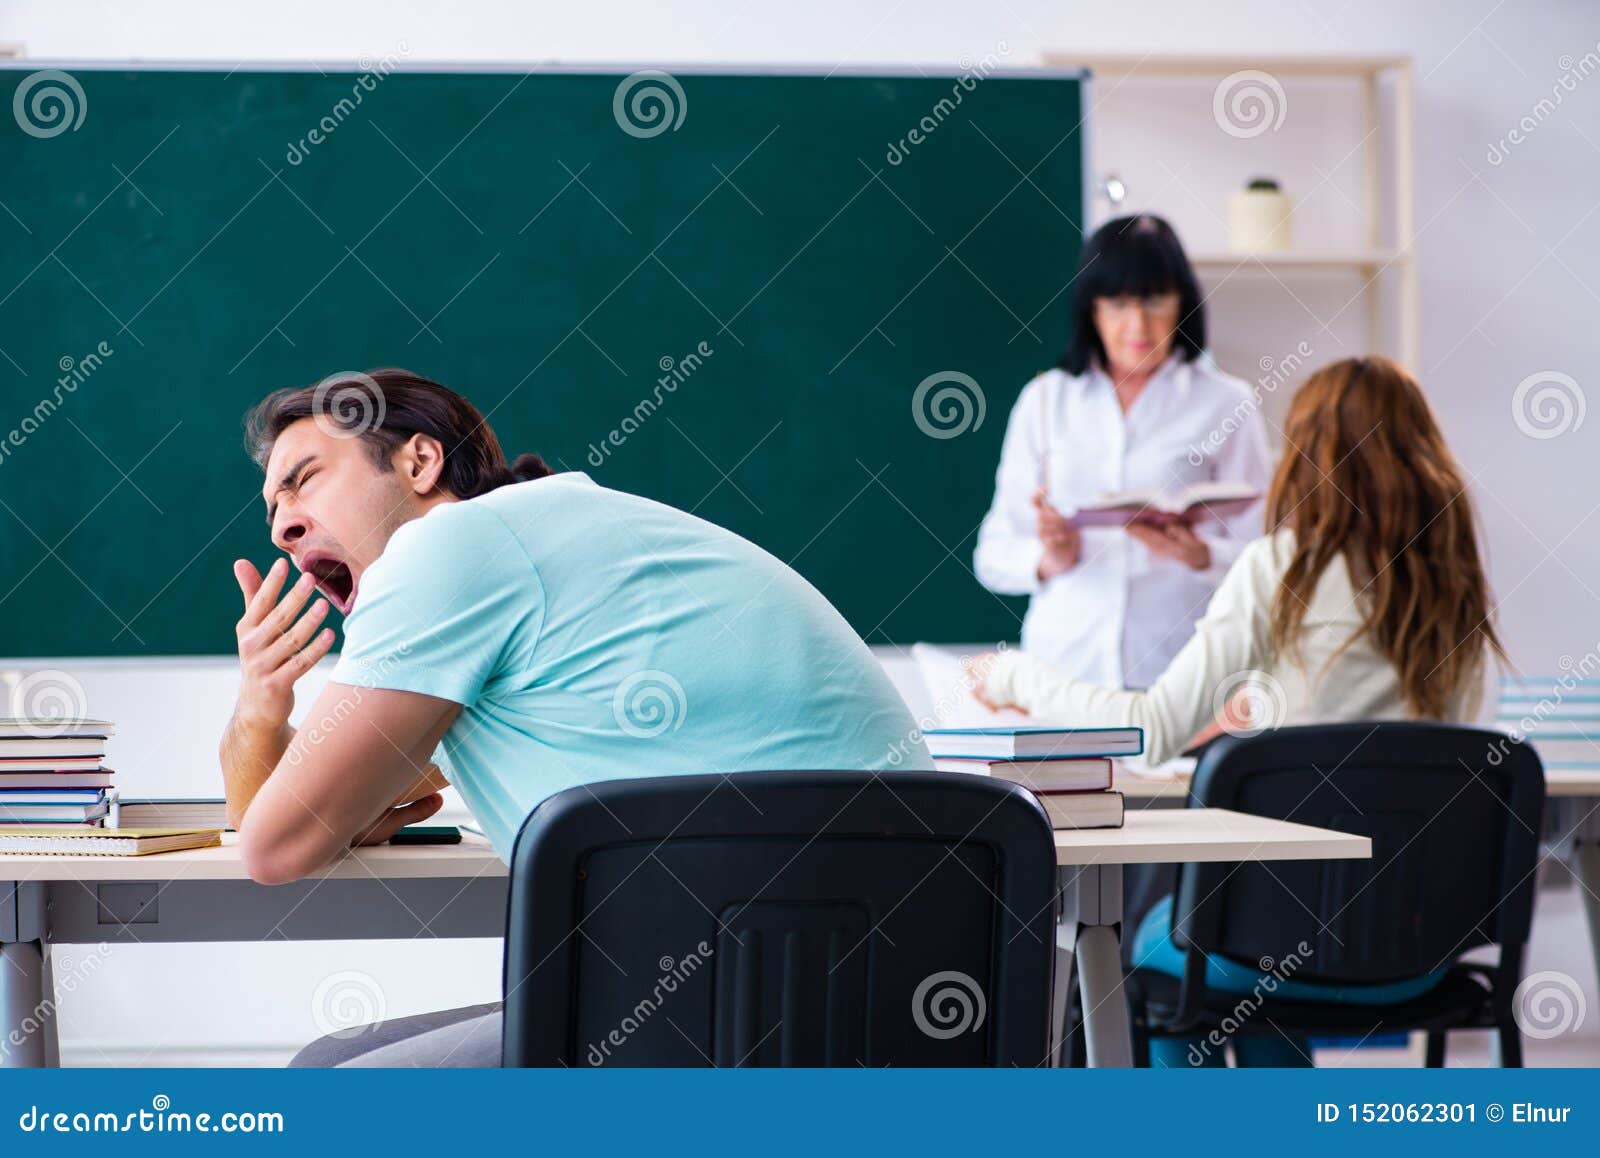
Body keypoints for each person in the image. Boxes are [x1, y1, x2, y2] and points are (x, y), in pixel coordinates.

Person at [217, 367, 932, 1067]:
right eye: (270, 508)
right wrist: (283, 737)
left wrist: (260, 708)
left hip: (743, 992)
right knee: (329, 1062)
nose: (282, 525)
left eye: (302, 479)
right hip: (880, 966)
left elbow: (275, 846)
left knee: (333, 1093)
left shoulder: (448, 549)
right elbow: (290, 823)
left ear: (419, 461)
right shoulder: (550, 542)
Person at [974, 355, 1507, 1067]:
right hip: (1423, 950)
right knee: (1250, 950)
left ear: (1309, 458)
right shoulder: (1458, 588)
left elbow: (1150, 730)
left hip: (1280, 941)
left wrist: (1017, 675)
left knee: (1157, 949)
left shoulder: (1278, 567)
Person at [973, 214, 1273, 691]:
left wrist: (1200, 555)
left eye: (1155, 301)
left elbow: (1268, 561)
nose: (1139, 324)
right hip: (1064, 672)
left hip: (1182, 676)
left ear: (1182, 304)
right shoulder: (1046, 400)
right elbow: (992, 555)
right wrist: (1050, 558)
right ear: (1091, 308)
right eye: (1117, 303)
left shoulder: (1228, 403)